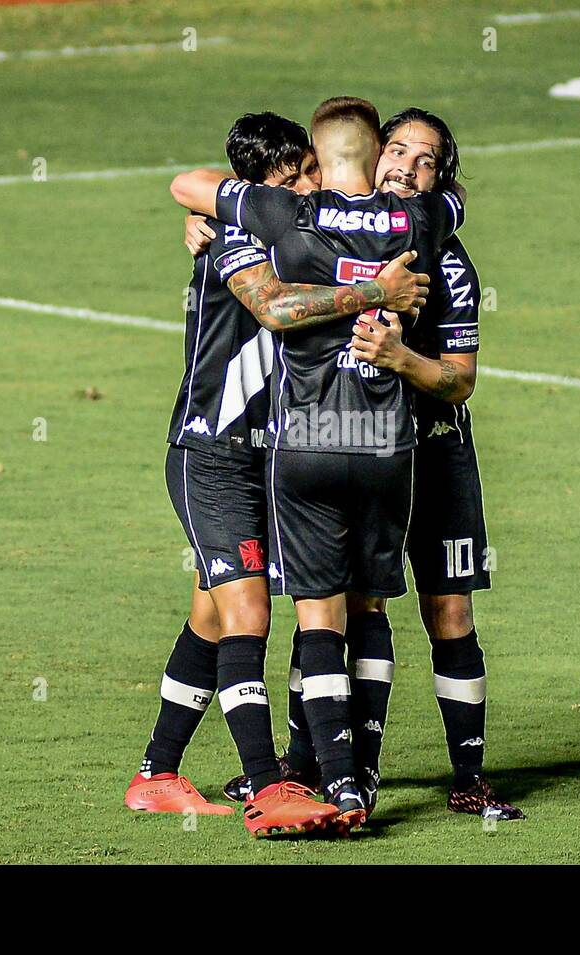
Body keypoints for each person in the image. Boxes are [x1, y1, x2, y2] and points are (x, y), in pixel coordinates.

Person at [127, 111, 427, 838]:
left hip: (279, 455)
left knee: (213, 614)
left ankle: (156, 774)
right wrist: (372, 294)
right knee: (250, 614)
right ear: (265, 188)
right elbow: (277, 307)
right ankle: (268, 786)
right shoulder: (240, 236)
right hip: (215, 453)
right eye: (300, 178)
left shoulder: (311, 234)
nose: (316, 186)